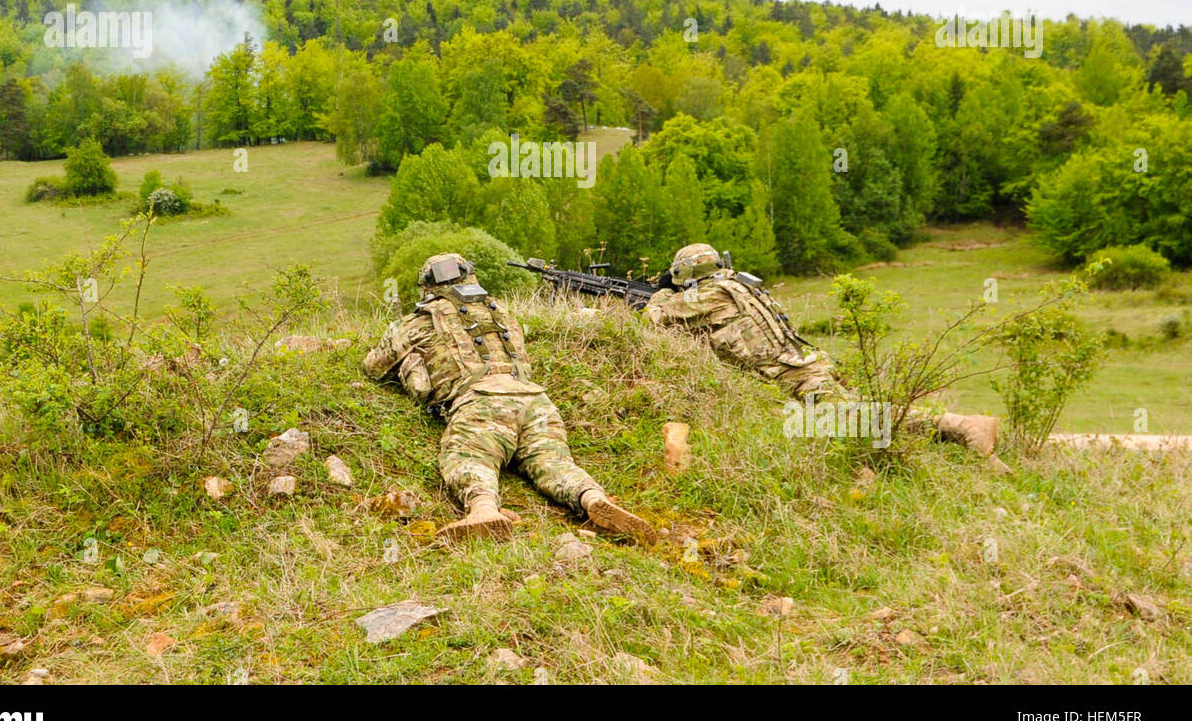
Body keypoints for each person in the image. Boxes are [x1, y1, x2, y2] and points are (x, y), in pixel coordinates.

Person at [363, 252, 658, 542]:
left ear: (427, 286)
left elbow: (374, 367)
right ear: (471, 276)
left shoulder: (415, 323)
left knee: (470, 458)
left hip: (480, 402)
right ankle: (591, 498)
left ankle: (483, 510)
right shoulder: (501, 312)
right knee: (552, 462)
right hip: (534, 401)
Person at [644, 243, 999, 456]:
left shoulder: (708, 295)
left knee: (857, 420)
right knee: (861, 412)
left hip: (795, 374)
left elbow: (654, 316)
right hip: (809, 363)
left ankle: (961, 425)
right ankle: (962, 434)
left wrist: (662, 290)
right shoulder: (736, 283)